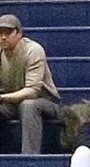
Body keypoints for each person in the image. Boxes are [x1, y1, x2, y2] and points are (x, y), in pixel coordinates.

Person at [0, 14, 65, 154]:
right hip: (12, 102)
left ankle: (29, 158)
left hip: (45, 101)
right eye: (0, 33)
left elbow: (32, 91)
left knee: (28, 105)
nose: (3, 37)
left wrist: (3, 98)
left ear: (19, 34)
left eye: (8, 33)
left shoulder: (33, 50)